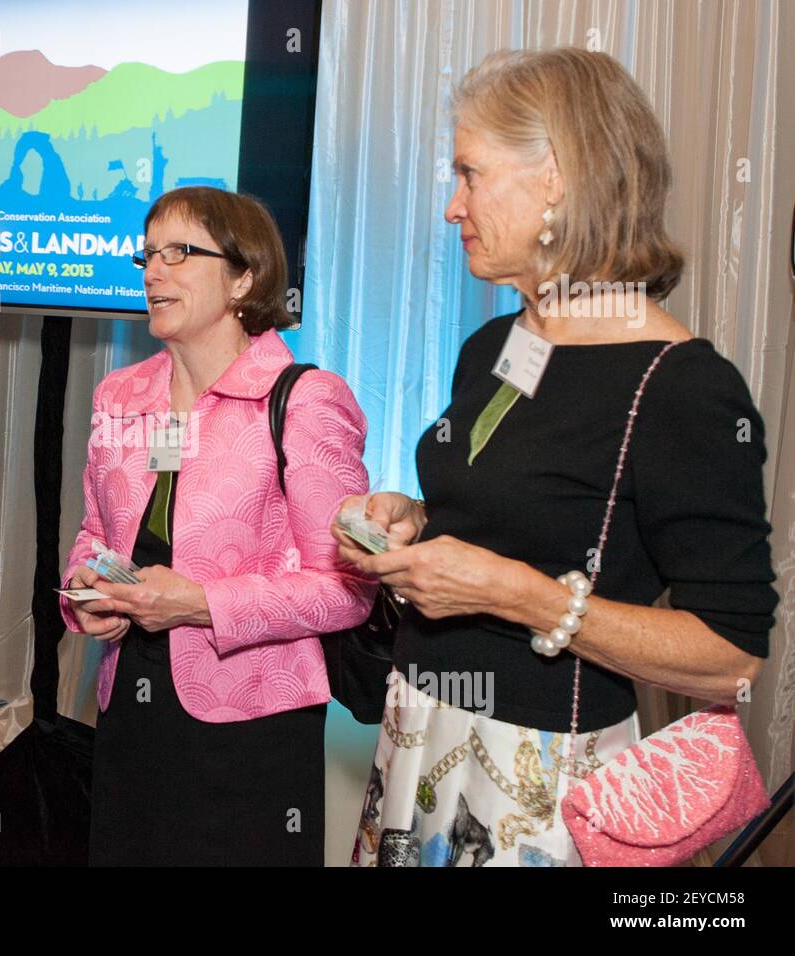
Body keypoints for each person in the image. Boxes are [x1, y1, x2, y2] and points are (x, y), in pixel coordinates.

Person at [334, 49, 776, 867]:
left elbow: (732, 657)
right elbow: (526, 515)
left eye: (469, 173)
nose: (451, 206)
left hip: (540, 785)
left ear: (558, 179)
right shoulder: (493, 345)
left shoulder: (678, 386)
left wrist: (528, 600)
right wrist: (416, 521)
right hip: (418, 739)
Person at [60, 186, 374, 865]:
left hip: (249, 733)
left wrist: (199, 604)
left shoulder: (304, 398)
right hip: (130, 720)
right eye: (148, 254)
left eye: (180, 253)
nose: (153, 271)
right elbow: (92, 536)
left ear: (245, 277)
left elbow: (347, 589)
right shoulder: (120, 395)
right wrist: (84, 593)